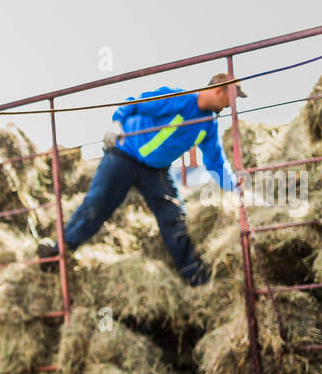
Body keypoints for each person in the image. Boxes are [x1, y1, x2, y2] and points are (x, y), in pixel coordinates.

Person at [38, 74, 244, 286]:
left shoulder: (208, 126)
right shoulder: (178, 98)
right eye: (232, 97)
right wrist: (117, 125)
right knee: (97, 204)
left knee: (174, 218)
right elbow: (134, 104)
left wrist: (235, 190)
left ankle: (196, 278)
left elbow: (215, 162)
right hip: (124, 155)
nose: (231, 105)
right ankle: (58, 250)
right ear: (219, 89)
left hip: (156, 171)